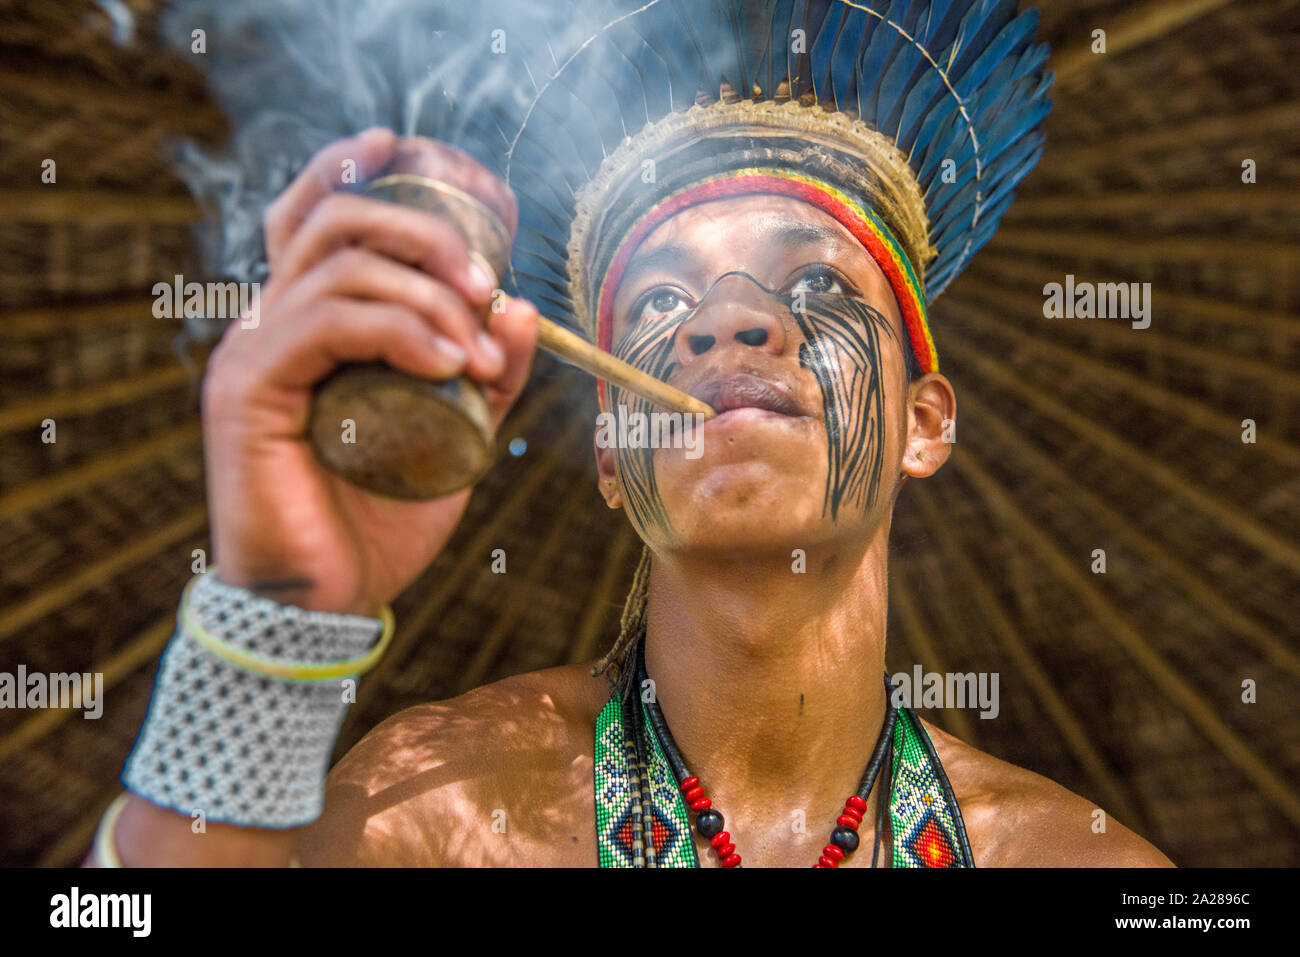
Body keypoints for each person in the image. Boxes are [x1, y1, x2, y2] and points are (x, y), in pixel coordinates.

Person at [87, 0, 1173, 868]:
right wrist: (277, 618)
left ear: (923, 425)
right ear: (611, 450)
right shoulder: (439, 815)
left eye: (812, 284)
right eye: (660, 304)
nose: (727, 320)